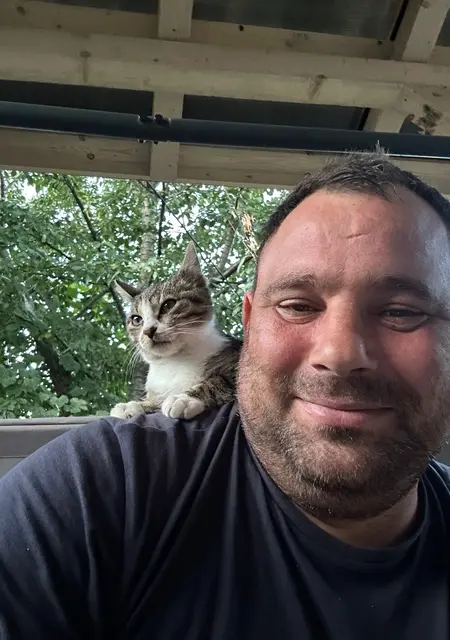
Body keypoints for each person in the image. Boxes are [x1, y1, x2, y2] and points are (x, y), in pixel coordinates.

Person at [1, 151, 450, 640]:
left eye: (401, 311)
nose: (339, 354)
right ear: (249, 323)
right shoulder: (95, 491)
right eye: (298, 306)